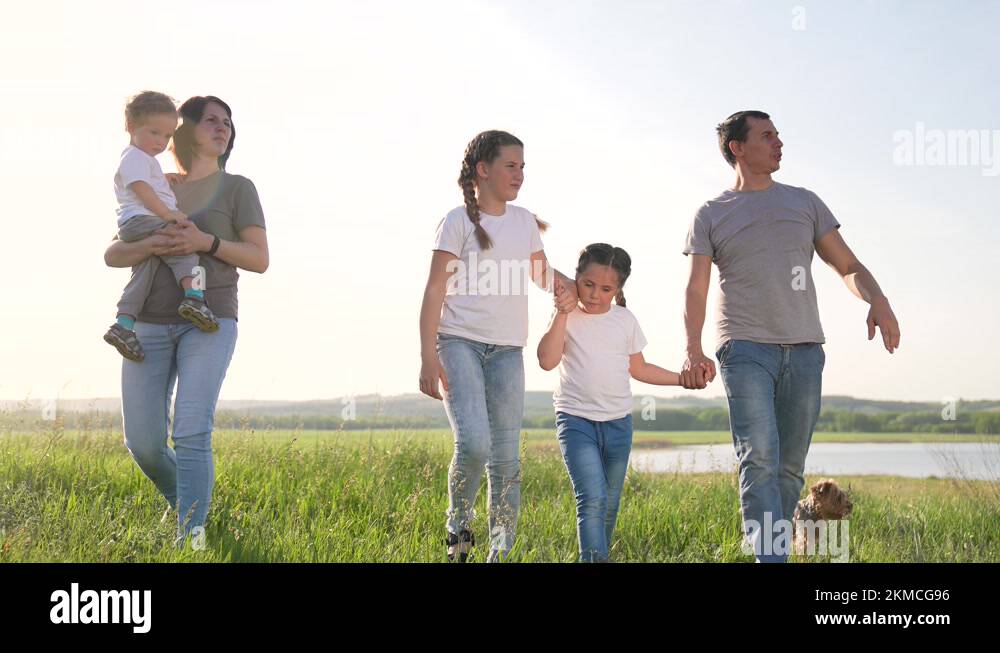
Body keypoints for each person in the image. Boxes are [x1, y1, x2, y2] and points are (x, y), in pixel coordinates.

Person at [681, 110, 900, 562]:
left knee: (788, 469)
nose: (779, 142)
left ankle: (770, 552)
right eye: (767, 136)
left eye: (778, 134)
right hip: (743, 349)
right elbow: (696, 286)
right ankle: (771, 558)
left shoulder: (805, 202)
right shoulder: (711, 213)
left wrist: (877, 299)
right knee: (758, 459)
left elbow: (849, 266)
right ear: (737, 148)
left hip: (803, 351)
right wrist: (692, 348)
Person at [103, 96, 269, 548]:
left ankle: (191, 537)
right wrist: (156, 244)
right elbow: (113, 253)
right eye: (211, 120)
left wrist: (205, 241)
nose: (222, 128)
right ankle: (193, 509)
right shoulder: (154, 182)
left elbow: (259, 259)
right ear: (185, 129)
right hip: (149, 323)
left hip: (208, 318)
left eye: (228, 122)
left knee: (192, 429)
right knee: (143, 442)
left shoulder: (237, 188)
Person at [418, 130, 577, 562]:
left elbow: (542, 274)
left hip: (508, 351)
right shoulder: (456, 221)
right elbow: (435, 291)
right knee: (474, 444)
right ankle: (458, 525)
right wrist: (427, 356)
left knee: (506, 460)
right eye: (511, 165)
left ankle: (500, 553)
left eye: (523, 166)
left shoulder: (524, 221)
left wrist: (572, 289)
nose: (520, 174)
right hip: (458, 344)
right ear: (482, 170)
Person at [538, 243, 691, 562]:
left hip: (619, 424)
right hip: (576, 421)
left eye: (606, 288)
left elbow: (640, 368)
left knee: (608, 502)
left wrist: (682, 378)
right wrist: (562, 314)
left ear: (618, 289)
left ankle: (599, 556)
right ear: (575, 277)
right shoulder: (567, 314)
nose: (594, 294)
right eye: (588, 284)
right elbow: (547, 360)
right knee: (591, 498)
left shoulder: (625, 320)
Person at [104, 91, 219, 362]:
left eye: (167, 136)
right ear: (131, 127)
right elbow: (142, 189)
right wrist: (169, 214)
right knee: (186, 247)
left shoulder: (143, 160)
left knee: (146, 271)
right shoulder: (133, 158)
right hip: (145, 220)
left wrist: (163, 179)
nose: (160, 142)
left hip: (138, 223)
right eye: (154, 133)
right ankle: (194, 295)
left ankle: (124, 323)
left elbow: (146, 182)